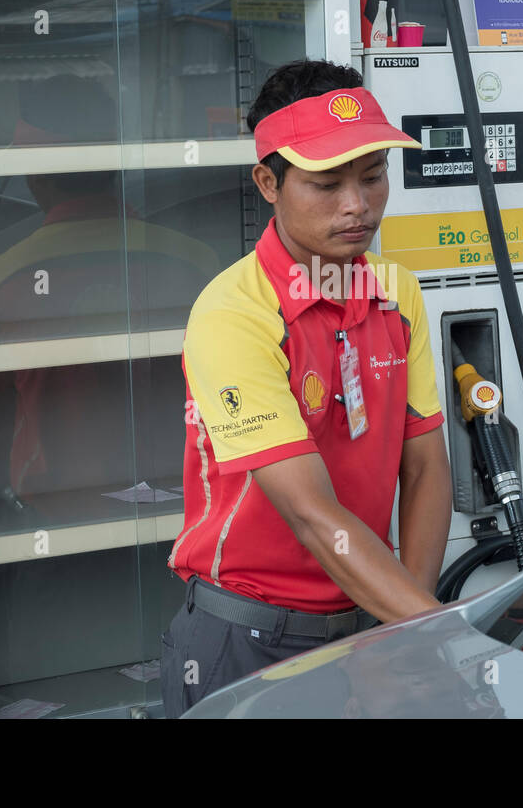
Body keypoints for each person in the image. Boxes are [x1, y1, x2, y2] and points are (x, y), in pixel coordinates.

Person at [162, 59, 453, 717]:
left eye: (373, 176)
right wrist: (432, 630)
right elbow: (311, 514)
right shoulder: (236, 314)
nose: (357, 206)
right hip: (248, 642)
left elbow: (426, 467)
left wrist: (401, 631)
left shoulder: (397, 292)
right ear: (268, 183)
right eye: (326, 184)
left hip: (371, 618)